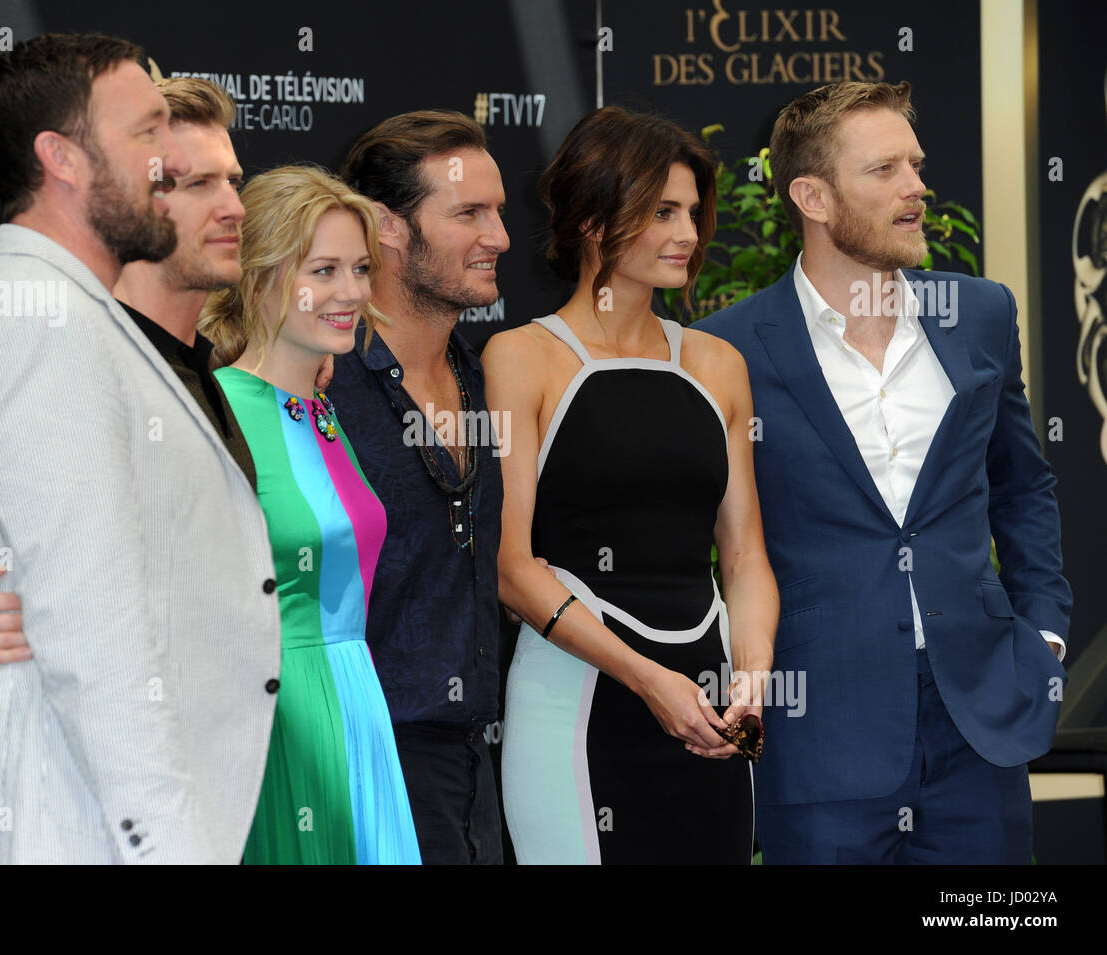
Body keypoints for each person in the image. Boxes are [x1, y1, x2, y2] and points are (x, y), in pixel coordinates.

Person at [0, 40, 282, 863]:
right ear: (62, 159)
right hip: (65, 822)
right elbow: (98, 643)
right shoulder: (54, 326)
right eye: (147, 133)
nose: (168, 160)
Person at [696, 81, 1072, 864]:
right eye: (886, 171)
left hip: (980, 718)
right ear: (813, 196)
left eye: (918, 165)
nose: (918, 189)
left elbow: (1023, 482)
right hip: (821, 729)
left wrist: (1044, 631)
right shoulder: (727, 347)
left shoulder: (979, 314)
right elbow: (721, 536)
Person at [482, 105, 777, 864]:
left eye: (691, 212)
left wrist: (750, 677)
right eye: (661, 211)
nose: (687, 233)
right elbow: (512, 568)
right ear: (591, 219)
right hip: (574, 704)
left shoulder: (718, 365)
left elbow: (744, 559)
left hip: (708, 712)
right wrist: (650, 679)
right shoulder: (522, 358)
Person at [198, 166, 421, 865]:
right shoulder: (218, 412)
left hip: (358, 703)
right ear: (259, 275)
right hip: (276, 717)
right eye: (322, 270)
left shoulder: (322, 408)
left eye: (359, 268)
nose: (351, 292)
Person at [329, 111, 509, 863]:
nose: (499, 237)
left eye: (498, 211)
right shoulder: (322, 384)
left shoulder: (482, 372)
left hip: (475, 767)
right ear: (386, 227)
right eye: (469, 213)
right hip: (358, 761)